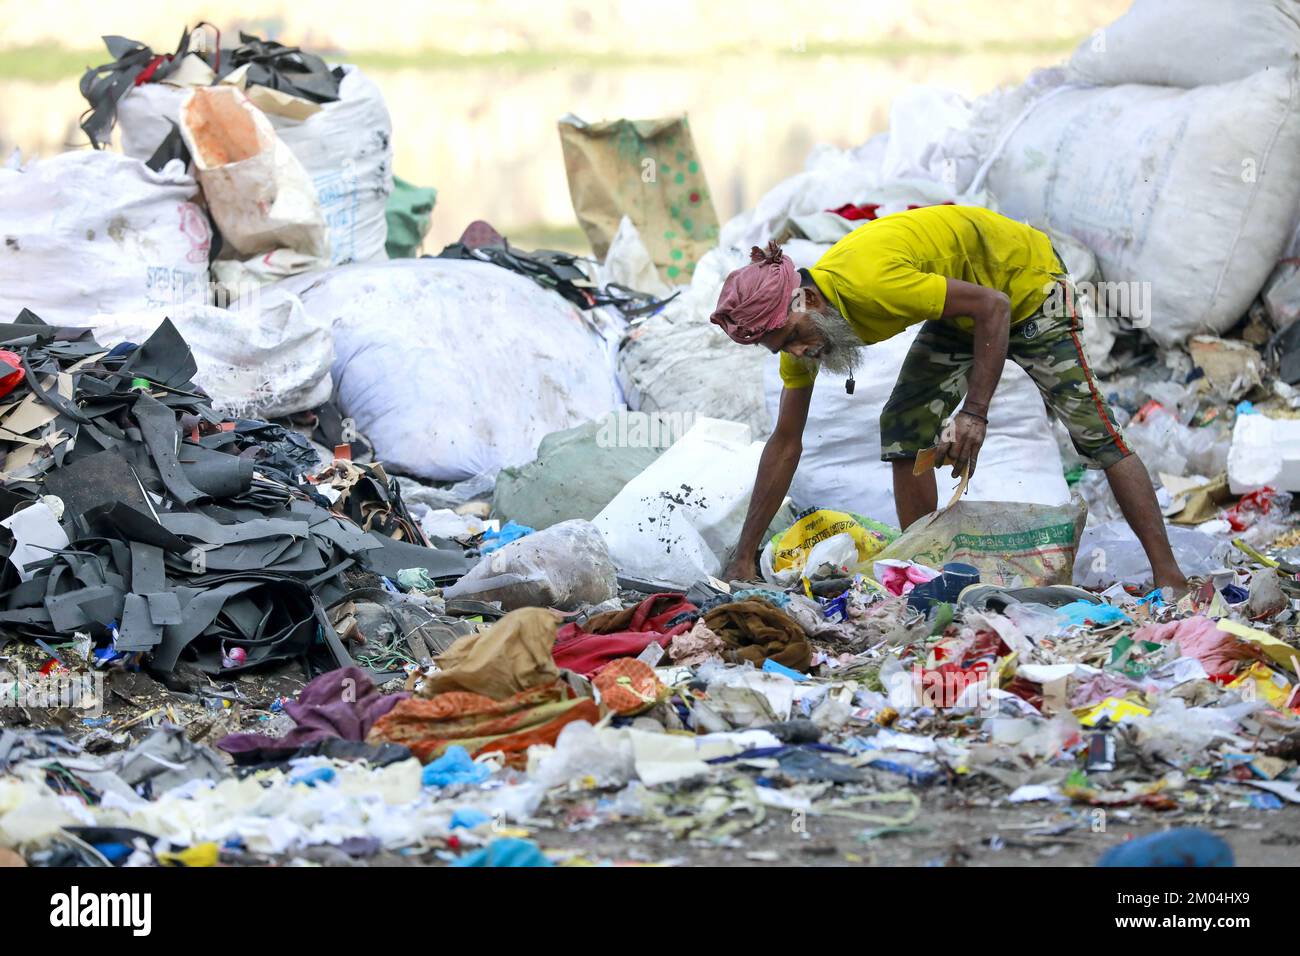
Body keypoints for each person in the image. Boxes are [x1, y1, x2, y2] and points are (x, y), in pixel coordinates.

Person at [712, 204, 1186, 594]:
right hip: (971, 311)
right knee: (904, 428)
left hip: (1027, 289)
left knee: (1097, 435)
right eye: (782, 348)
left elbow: (995, 306)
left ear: (807, 302)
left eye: (794, 338)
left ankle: (1171, 579)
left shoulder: (874, 283)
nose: (797, 352)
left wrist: (974, 414)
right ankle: (930, 577)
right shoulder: (798, 332)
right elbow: (785, 442)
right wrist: (745, 554)